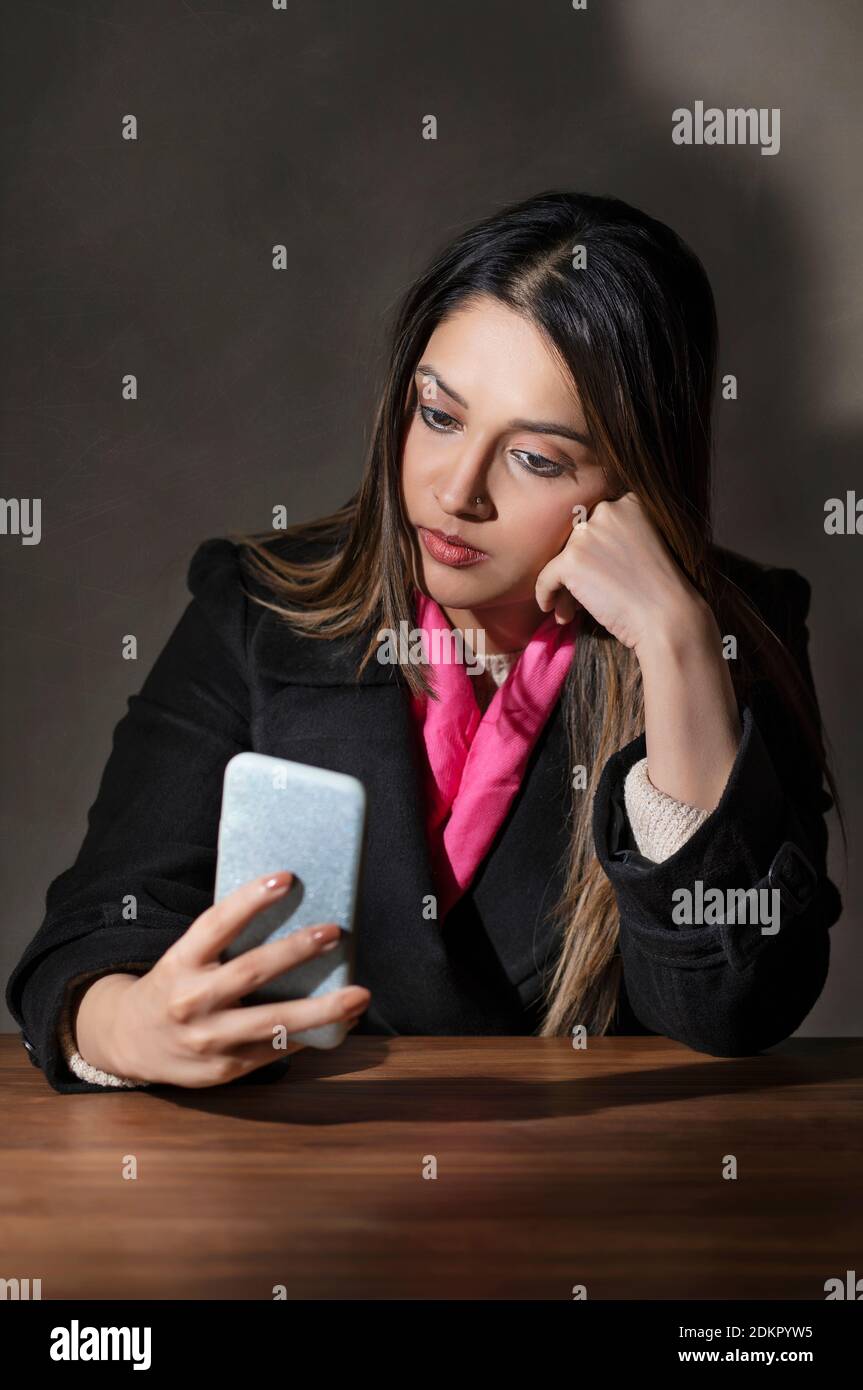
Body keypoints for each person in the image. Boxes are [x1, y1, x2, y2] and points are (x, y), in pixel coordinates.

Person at [5, 190, 843, 1093]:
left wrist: (678, 643)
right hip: (301, 1178)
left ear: (636, 480)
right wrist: (127, 1026)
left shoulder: (728, 633)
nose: (455, 491)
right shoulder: (258, 605)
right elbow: (93, 931)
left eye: (536, 459)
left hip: (599, 1193)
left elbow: (733, 1008)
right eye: (439, 416)